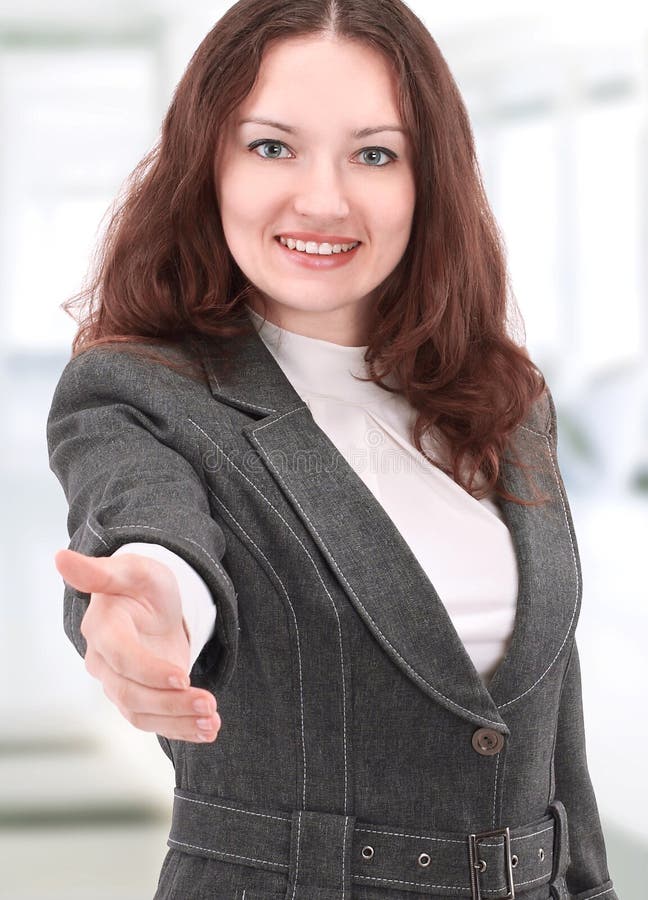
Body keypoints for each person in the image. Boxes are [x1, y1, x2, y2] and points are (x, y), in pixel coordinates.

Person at [47, 1, 617, 898]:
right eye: (271, 147)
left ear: (430, 180)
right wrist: (152, 603)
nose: (323, 199)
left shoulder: (505, 402)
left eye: (375, 154)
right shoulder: (143, 388)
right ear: (210, 164)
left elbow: (554, 735)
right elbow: (148, 533)